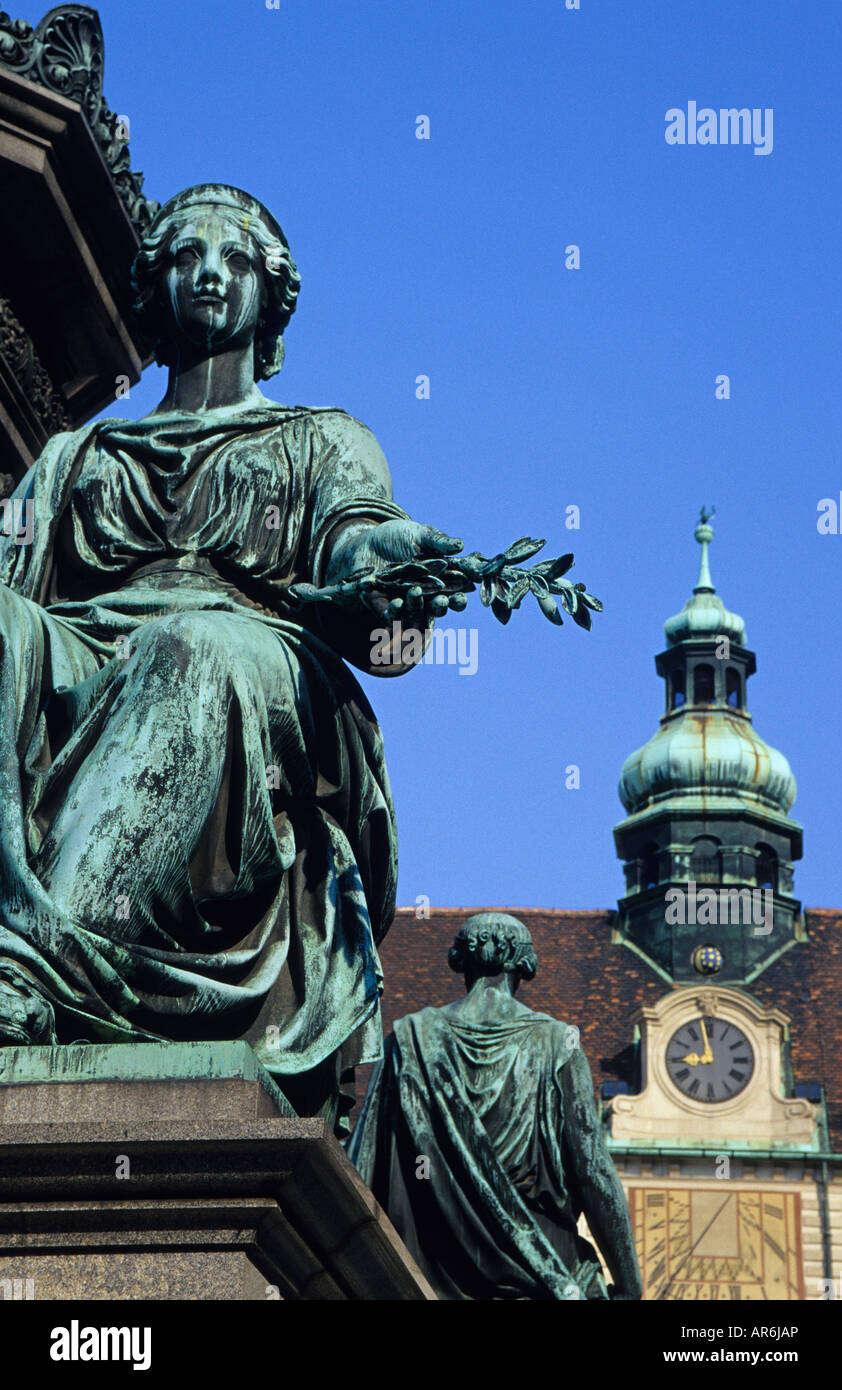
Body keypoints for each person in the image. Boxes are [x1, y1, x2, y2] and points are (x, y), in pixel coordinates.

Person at [0, 183, 464, 1130]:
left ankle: (40, 965)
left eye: (235, 259)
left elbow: (358, 553)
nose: (209, 273)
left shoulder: (322, 439)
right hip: (81, 650)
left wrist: (390, 562)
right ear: (153, 287)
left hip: (248, 660)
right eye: (186, 256)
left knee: (188, 647)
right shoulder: (77, 456)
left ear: (270, 296)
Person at [349, 912, 643, 1300]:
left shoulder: (408, 1040)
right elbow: (592, 1170)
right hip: (538, 1262)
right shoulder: (558, 1045)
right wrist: (629, 1284)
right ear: (523, 965)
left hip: (435, 1264)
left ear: (460, 960)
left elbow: (365, 1165)